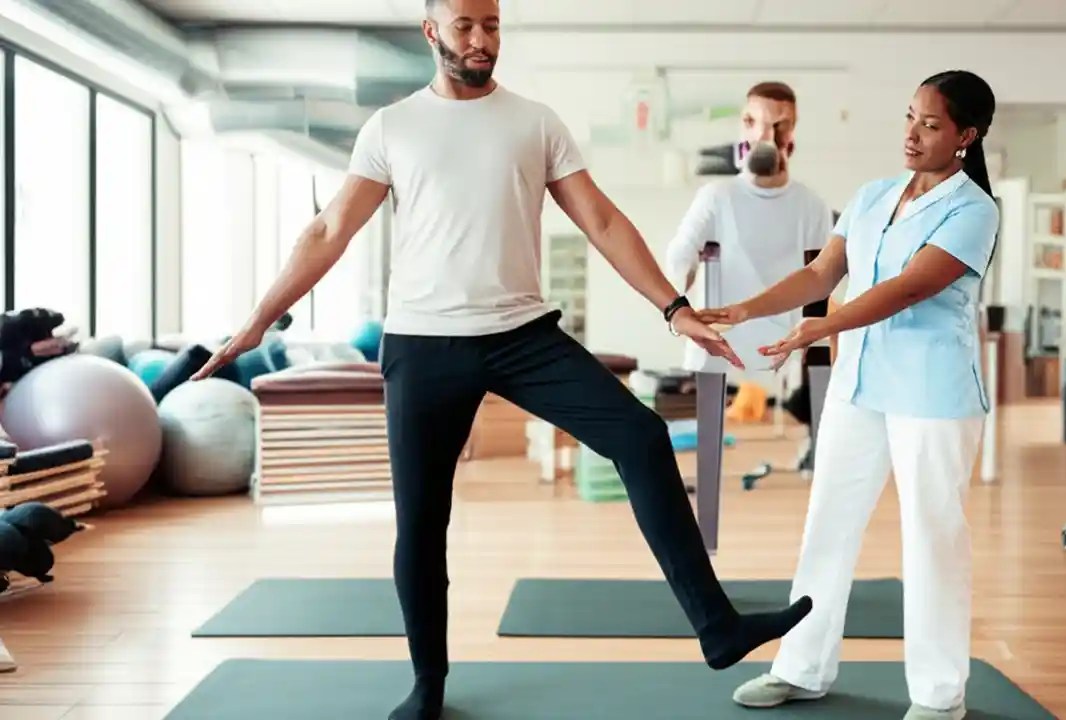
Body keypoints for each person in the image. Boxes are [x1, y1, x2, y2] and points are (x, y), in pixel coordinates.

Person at [190, 1, 812, 718]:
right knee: (423, 522)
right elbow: (330, 228)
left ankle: (718, 626)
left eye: (492, 25)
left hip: (524, 335)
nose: (482, 39)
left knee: (641, 437)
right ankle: (428, 683)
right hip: (422, 345)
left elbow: (603, 220)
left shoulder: (534, 122)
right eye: (466, 26)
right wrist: (257, 320)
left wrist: (674, 308)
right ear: (432, 32)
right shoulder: (392, 126)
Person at [702, 70, 999, 720]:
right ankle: (801, 667)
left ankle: (939, 694)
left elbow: (911, 287)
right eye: (909, 117)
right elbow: (819, 272)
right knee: (826, 526)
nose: (912, 133)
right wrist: (746, 309)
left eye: (931, 124)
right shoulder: (872, 194)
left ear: (964, 136)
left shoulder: (974, 209)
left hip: (931, 396)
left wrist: (826, 322)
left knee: (932, 537)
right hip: (859, 388)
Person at [664, 80, 833, 374]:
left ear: (792, 131)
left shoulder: (811, 206)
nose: (764, 136)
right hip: (715, 355)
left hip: (781, 359)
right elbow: (681, 256)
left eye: (778, 125)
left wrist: (812, 357)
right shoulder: (716, 197)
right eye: (752, 122)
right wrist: (678, 305)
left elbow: (820, 286)